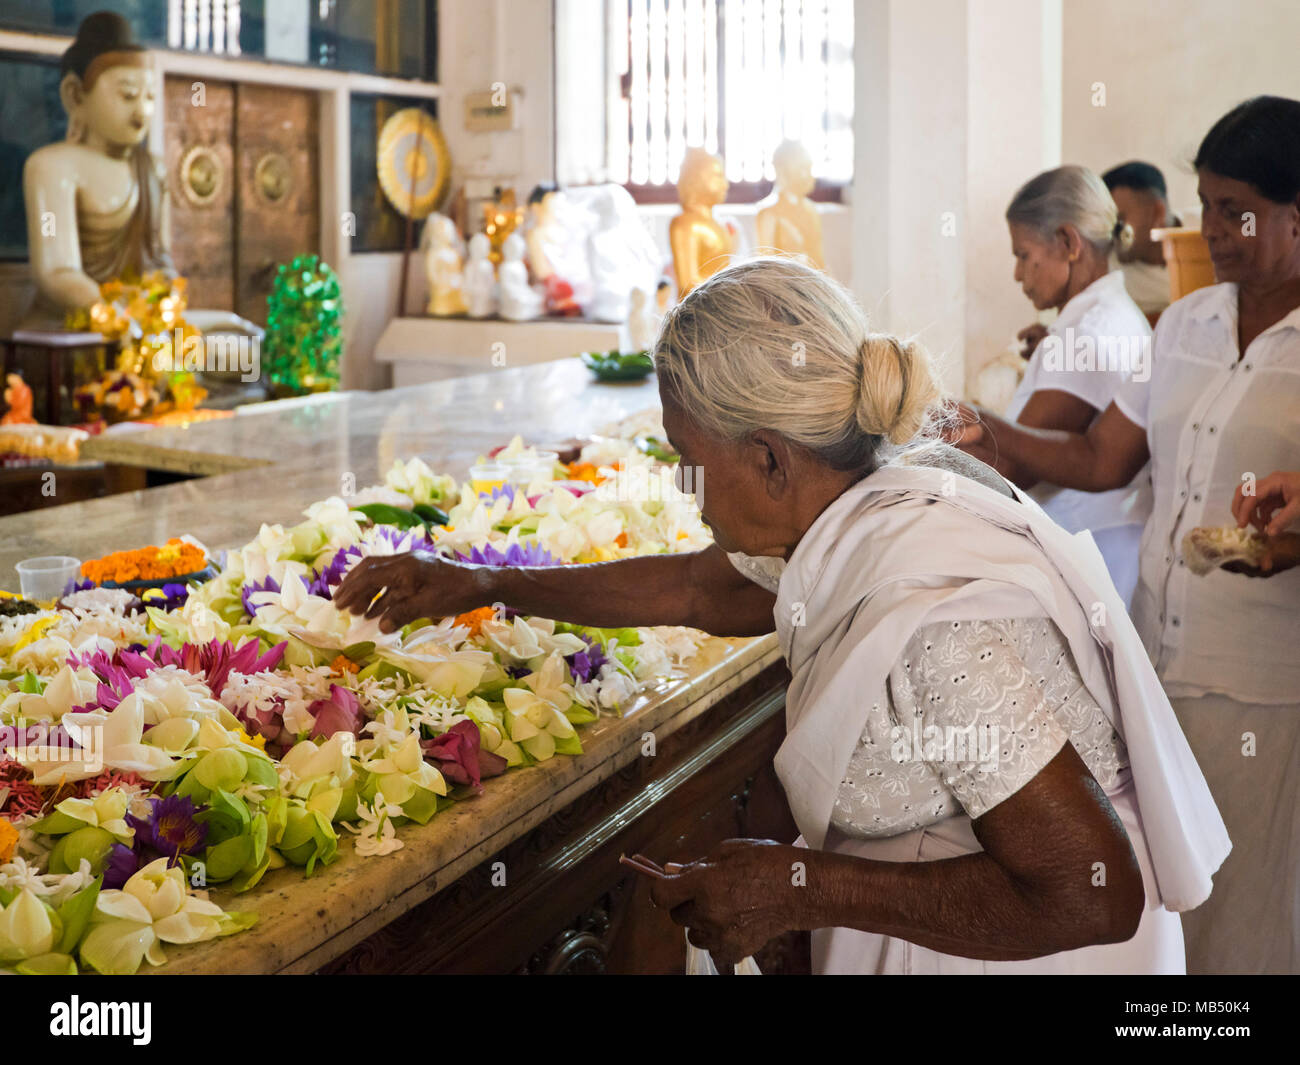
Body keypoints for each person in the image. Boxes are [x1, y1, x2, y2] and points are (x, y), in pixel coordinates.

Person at [335, 257, 1227, 974]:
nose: (687, 492)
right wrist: (488, 585)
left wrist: (801, 887)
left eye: (689, 461)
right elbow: (698, 589)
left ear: (767, 455)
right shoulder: (866, 506)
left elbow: (1090, 892)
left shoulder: (941, 625)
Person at [952, 96, 1300, 974]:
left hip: (1270, 691)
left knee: (1253, 929)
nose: (1207, 229)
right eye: (1205, 204)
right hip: (1155, 669)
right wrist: (978, 432)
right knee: (1168, 919)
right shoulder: (1185, 324)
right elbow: (1106, 456)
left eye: (1236, 210)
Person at [999, 165, 1152, 605]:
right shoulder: (1112, 315)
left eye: (1023, 254)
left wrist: (961, 430)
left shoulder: (1084, 334)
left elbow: (1010, 468)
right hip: (1108, 548)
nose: (1017, 273)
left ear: (1068, 243)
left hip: (1087, 555)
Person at [1102, 161, 1181, 319]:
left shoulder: (1207, 235)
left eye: (1119, 221)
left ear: (1157, 214)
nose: (1110, 234)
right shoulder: (1108, 272)